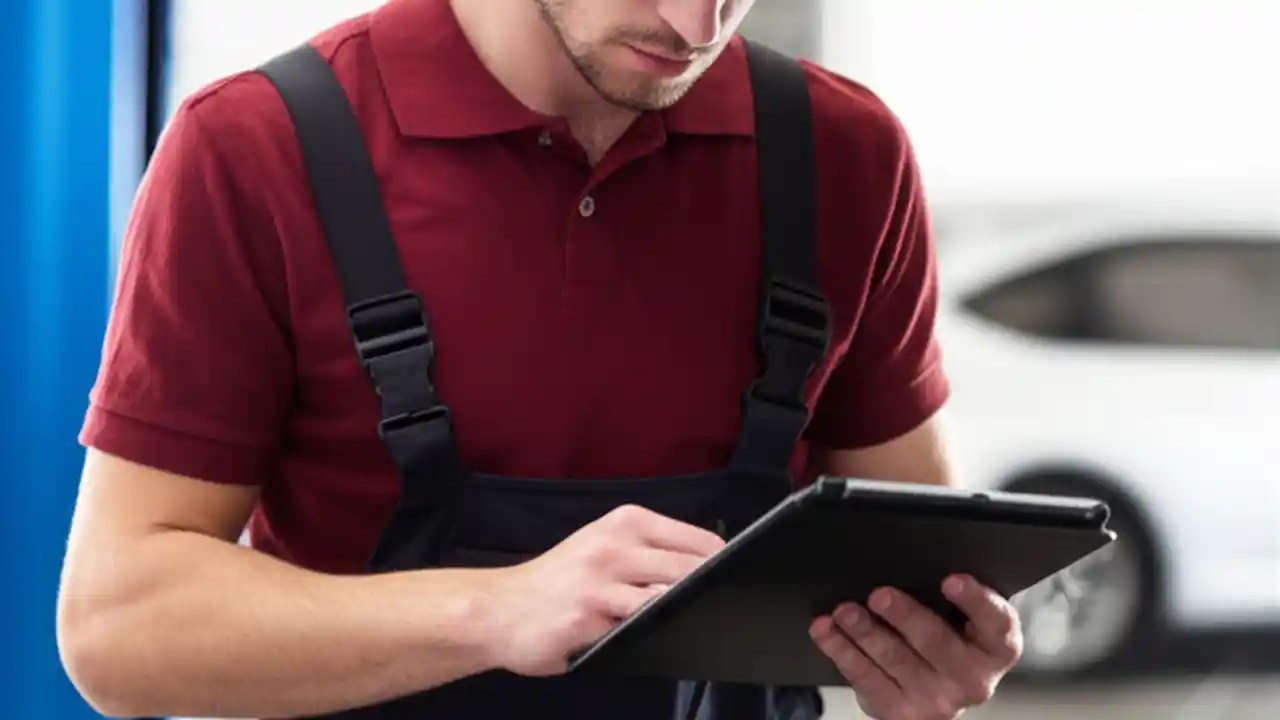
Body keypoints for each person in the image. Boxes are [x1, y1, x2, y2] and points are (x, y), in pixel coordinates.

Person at [56, 0, 1023, 718]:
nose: (694, 24)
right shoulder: (255, 150)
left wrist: (931, 650)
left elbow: (910, 561)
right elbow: (117, 627)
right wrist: (493, 612)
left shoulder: (846, 156)